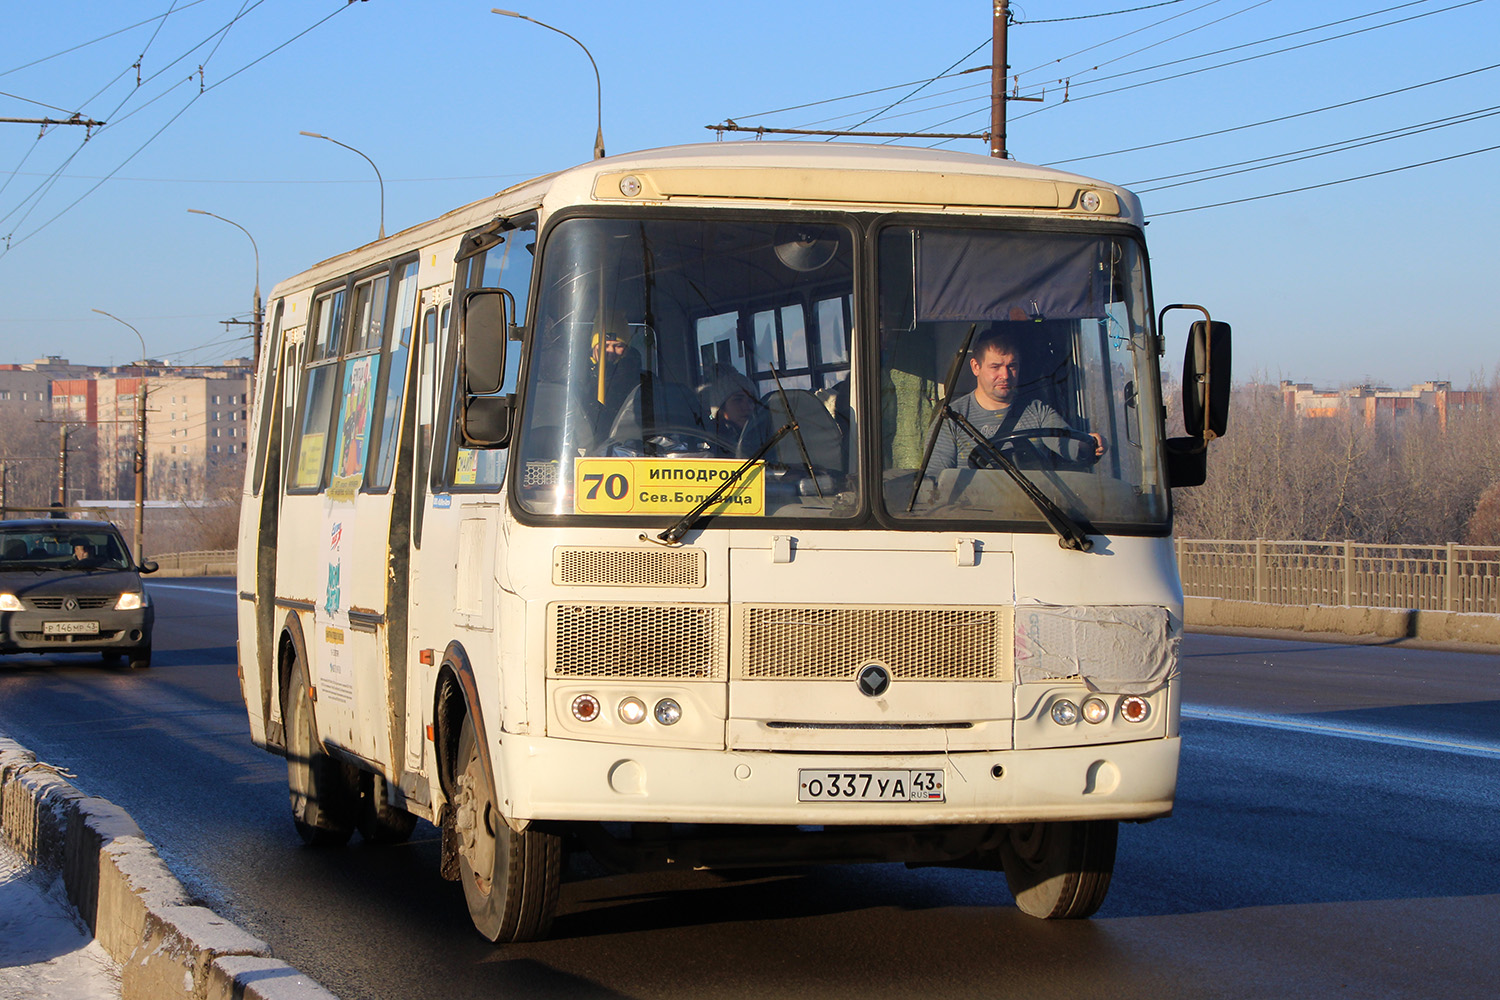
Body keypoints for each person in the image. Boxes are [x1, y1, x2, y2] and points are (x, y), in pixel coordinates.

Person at [928, 328, 1104, 470]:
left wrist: (1089, 445)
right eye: (995, 367)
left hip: (1033, 503)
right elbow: (934, 483)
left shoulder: (1037, 411)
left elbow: (1067, 444)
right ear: (976, 367)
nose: (1005, 375)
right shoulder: (951, 419)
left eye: (1012, 366)